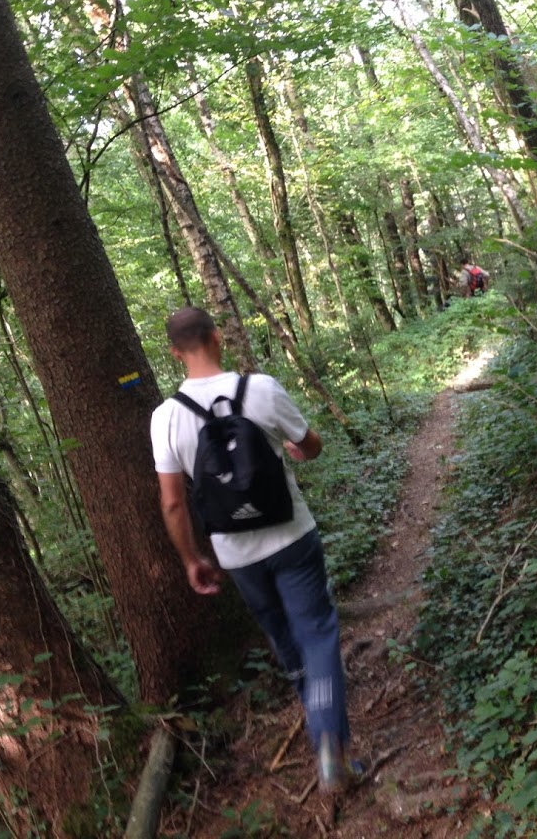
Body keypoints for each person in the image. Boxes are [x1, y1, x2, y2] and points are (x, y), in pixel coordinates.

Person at [149, 306, 360, 793]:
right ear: (218, 337)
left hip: (236, 555)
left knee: (284, 638)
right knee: (318, 632)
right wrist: (297, 451)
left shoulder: (165, 418)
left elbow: (173, 504)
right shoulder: (261, 389)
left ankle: (320, 720)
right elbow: (310, 445)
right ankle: (330, 741)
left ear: (175, 353)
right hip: (292, 537)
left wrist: (191, 560)